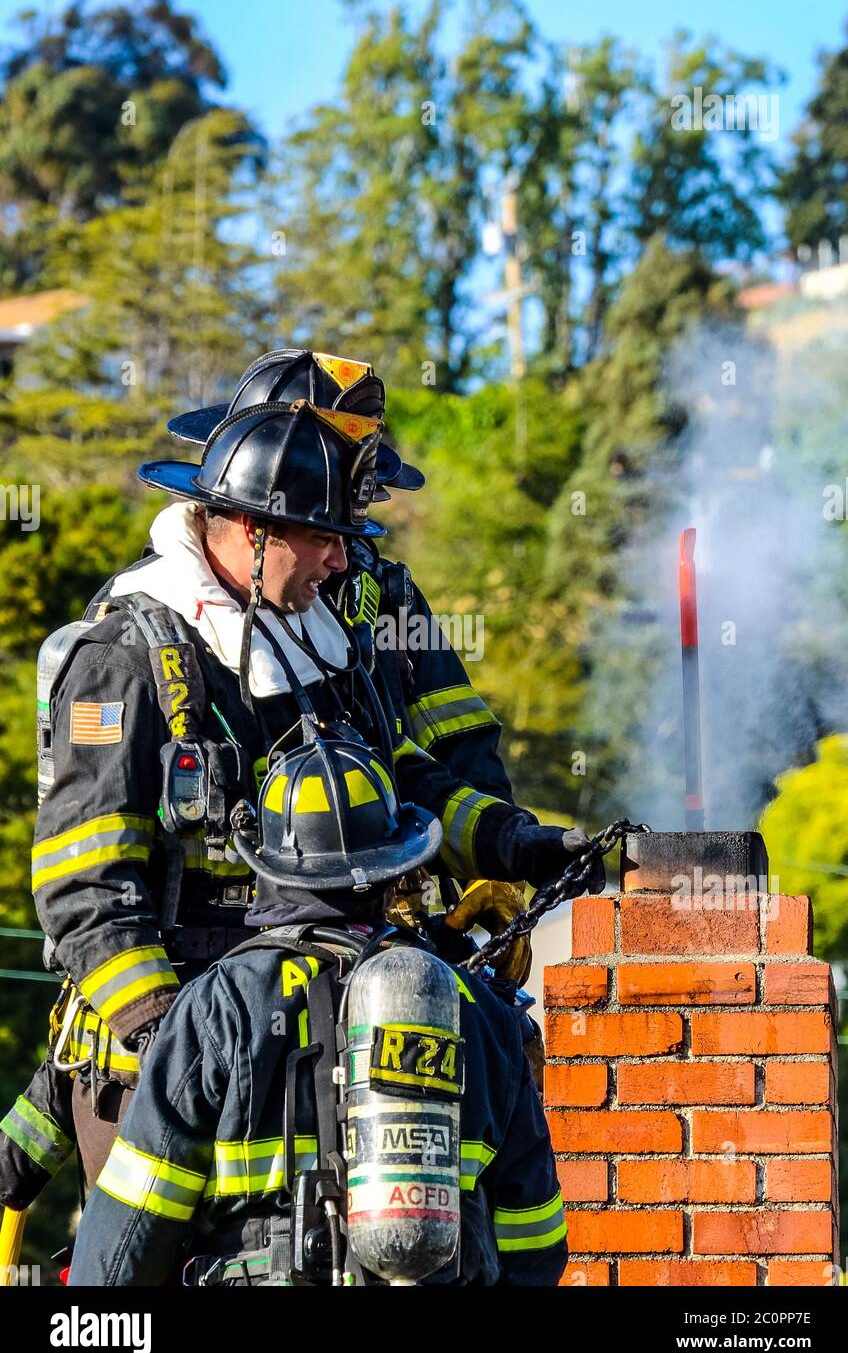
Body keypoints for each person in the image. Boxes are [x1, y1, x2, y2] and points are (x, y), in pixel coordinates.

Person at [29, 388, 596, 1194]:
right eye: (325, 538)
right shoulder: (127, 657)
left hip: (326, 1020)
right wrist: (167, 1040)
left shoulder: (321, 642)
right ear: (255, 532)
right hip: (176, 1028)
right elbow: (83, 883)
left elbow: (402, 785)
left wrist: (514, 843)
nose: (341, 562)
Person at [67, 724, 568, 1287]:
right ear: (397, 865)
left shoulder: (220, 1004)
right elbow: (536, 1239)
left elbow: (130, 1232)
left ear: (270, 865)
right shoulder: (475, 1009)